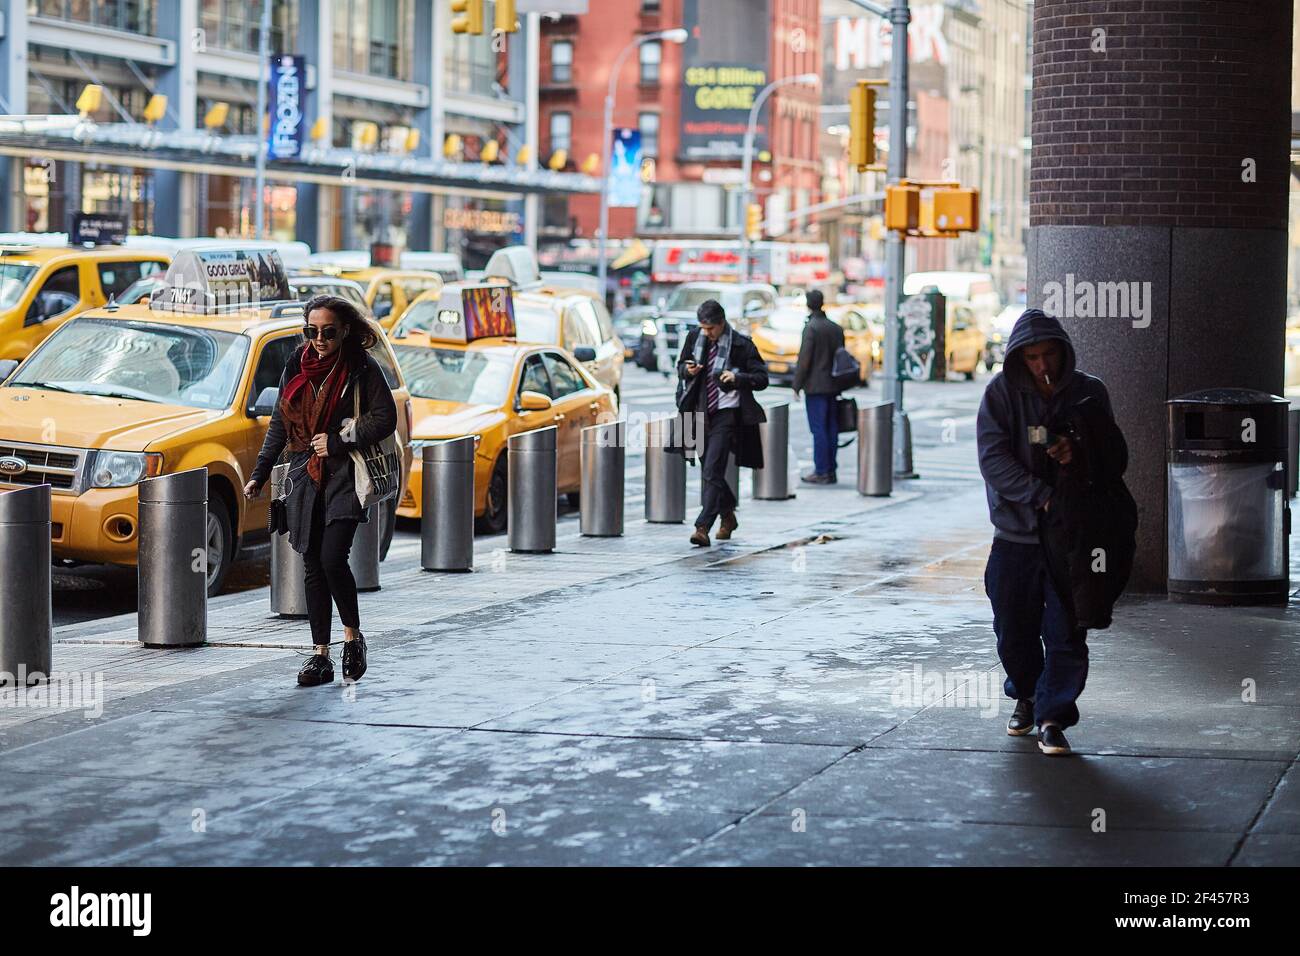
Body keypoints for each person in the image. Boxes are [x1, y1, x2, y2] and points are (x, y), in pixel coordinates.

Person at [976, 308, 1126, 756]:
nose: (1043, 366)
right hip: (1017, 533)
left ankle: (1053, 715)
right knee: (1012, 625)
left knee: (1066, 629)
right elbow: (992, 458)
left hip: (1071, 536)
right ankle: (1026, 693)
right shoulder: (1000, 394)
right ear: (1019, 359)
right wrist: (1038, 493)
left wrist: (1075, 451)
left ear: (1063, 352)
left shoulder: (1088, 391)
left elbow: (1113, 458)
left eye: (1050, 355)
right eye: (1033, 357)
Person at [245, 295, 397, 687]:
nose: (319, 340)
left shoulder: (362, 368)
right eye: (311, 331)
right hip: (303, 475)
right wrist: (260, 473)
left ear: (345, 330)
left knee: (332, 557)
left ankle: (353, 637)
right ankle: (320, 655)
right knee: (312, 562)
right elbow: (281, 420)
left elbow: (385, 418)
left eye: (328, 332)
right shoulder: (297, 364)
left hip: (346, 475)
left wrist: (339, 439)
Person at [676, 299, 769, 547]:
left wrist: (738, 378)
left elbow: (762, 378)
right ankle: (728, 516)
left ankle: (702, 526)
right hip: (698, 411)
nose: (706, 334)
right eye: (703, 328)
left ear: (721, 323)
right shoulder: (694, 338)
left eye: (711, 329)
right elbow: (680, 367)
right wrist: (688, 371)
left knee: (711, 471)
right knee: (712, 472)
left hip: (726, 414)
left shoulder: (741, 344)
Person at [791, 289, 846, 484]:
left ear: (808, 304)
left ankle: (822, 470)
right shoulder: (835, 328)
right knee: (831, 428)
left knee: (819, 429)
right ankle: (830, 469)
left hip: (816, 387)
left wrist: (796, 385)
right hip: (833, 384)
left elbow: (804, 359)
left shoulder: (812, 328)